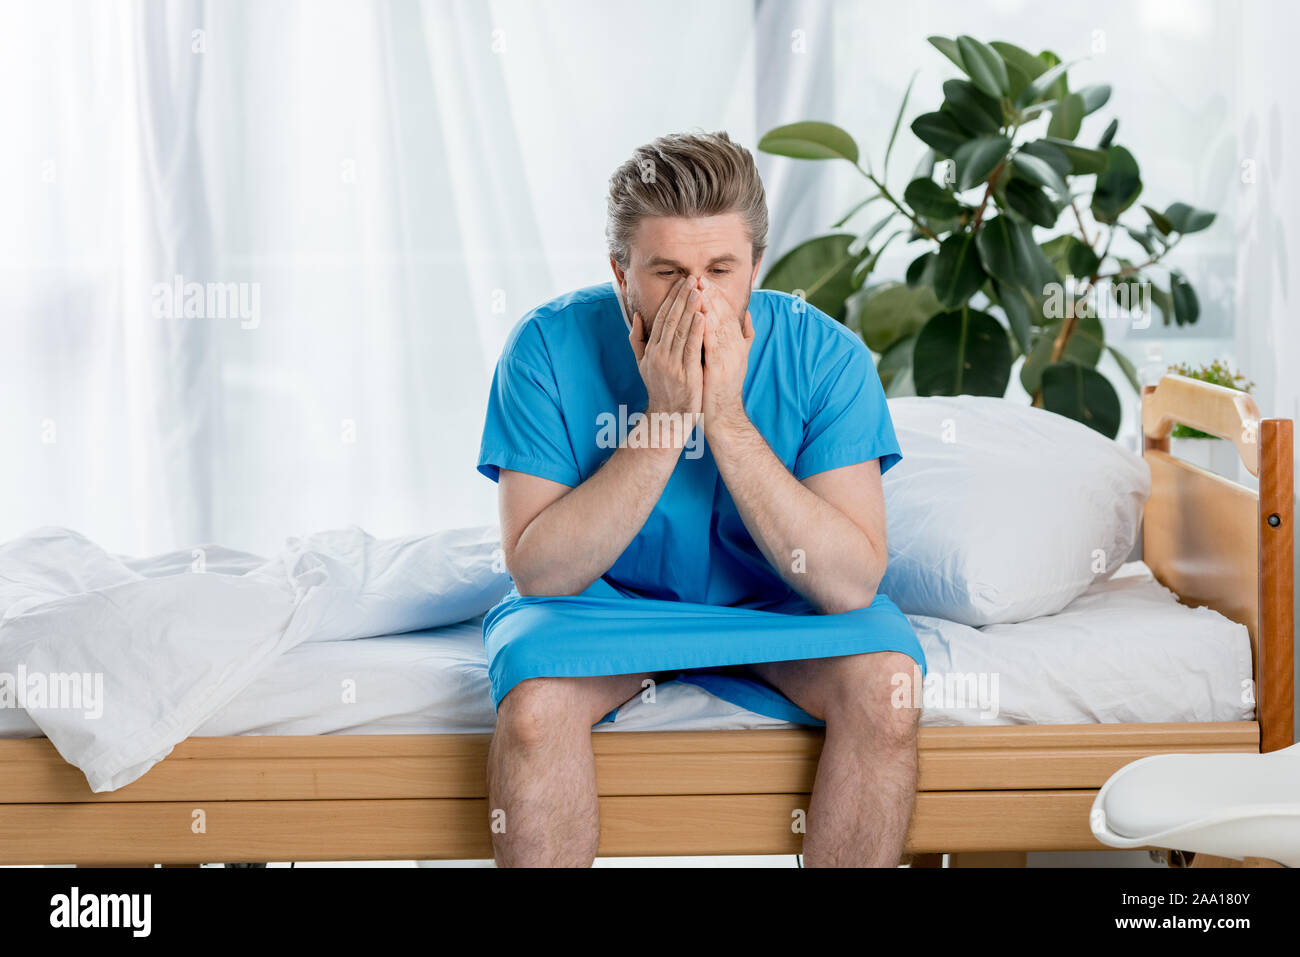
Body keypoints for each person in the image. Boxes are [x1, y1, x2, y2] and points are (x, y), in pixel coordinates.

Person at [476, 130, 925, 867]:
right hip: (602, 607)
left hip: (785, 609)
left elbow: (849, 583)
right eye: (667, 273)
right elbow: (540, 574)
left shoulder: (828, 355)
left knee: (888, 689)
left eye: (721, 268)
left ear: (757, 266)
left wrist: (725, 418)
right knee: (531, 711)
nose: (698, 298)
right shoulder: (544, 348)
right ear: (620, 272)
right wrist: (667, 419)